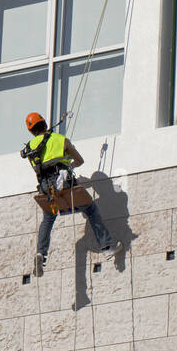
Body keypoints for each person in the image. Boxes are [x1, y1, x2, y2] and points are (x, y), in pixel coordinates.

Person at [20, 111, 117, 275]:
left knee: (48, 217)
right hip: (64, 183)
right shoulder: (59, 139)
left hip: (45, 188)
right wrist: (69, 165)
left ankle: (41, 253)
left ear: (31, 131)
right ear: (44, 124)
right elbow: (79, 160)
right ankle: (107, 247)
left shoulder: (29, 148)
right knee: (90, 209)